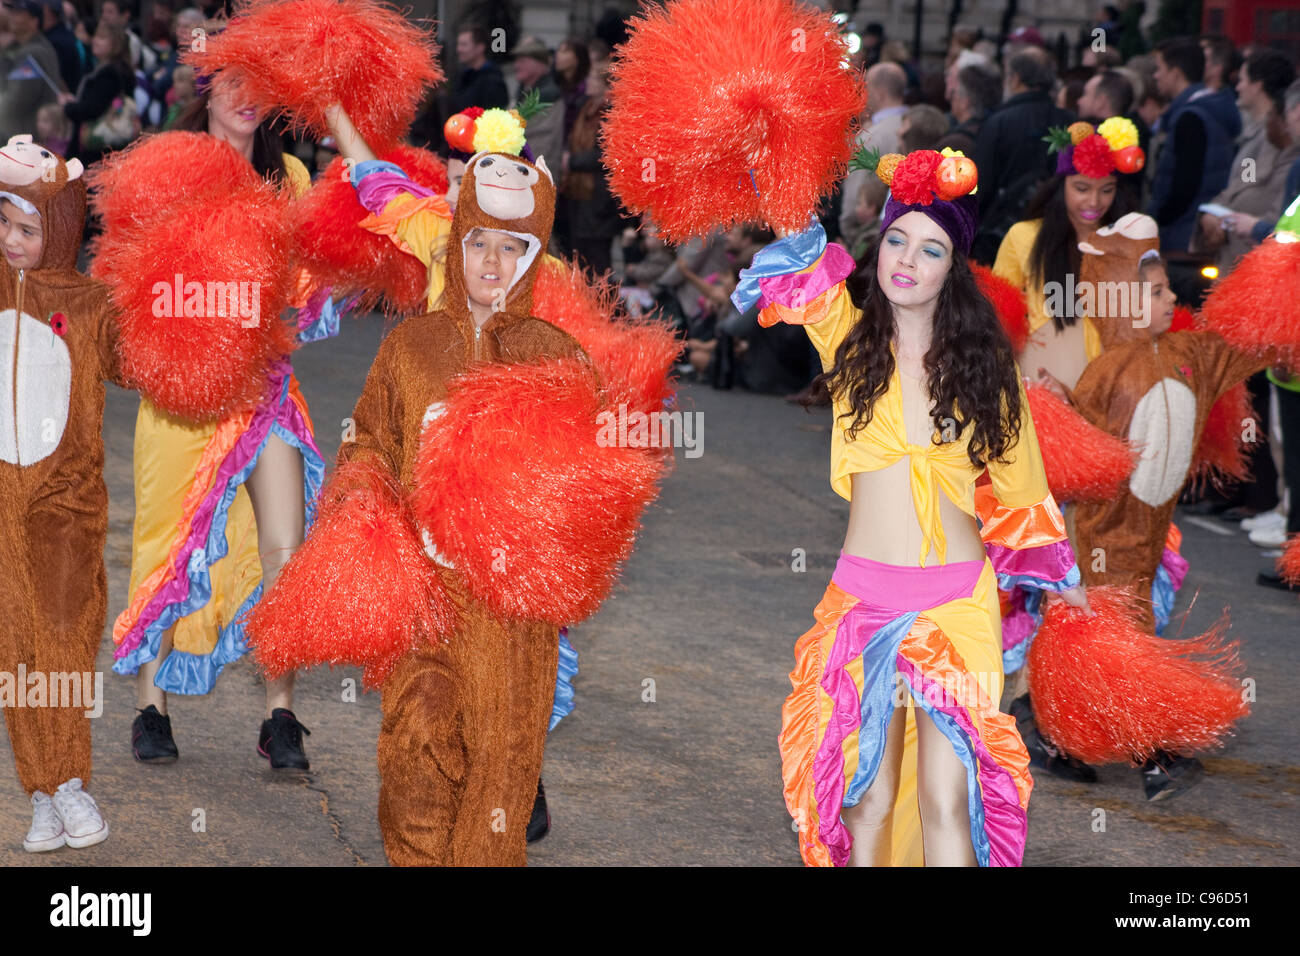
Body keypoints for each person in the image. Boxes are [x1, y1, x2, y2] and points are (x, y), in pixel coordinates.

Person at [733, 149, 1088, 866]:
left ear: (952, 269)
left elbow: (1023, 493)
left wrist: (1068, 593)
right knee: (866, 799)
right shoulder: (847, 339)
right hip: (859, 603)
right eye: (896, 238)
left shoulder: (989, 375)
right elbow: (793, 238)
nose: (906, 259)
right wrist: (772, 146)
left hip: (957, 606)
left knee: (946, 803)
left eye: (930, 250)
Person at [323, 101, 590, 865]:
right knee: (411, 759)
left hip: (512, 618)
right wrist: (365, 505)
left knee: (500, 782)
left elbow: (587, 484)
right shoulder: (412, 346)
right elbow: (370, 437)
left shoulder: (558, 358)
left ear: (536, 258)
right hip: (424, 605)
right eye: (479, 243)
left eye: (513, 249)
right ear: (456, 241)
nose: (493, 264)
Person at [115, 72, 324, 771]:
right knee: (169, 546)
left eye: (257, 82)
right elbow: (131, 277)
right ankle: (152, 708)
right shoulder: (166, 167)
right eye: (229, 80)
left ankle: (281, 717)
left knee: (284, 551)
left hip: (265, 389)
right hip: (184, 397)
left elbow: (304, 281)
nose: (245, 95)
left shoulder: (287, 174)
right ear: (204, 88)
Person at [0, 136, 122, 852]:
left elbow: (144, 364)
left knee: (65, 643)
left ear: (63, 229)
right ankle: (40, 791)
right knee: (15, 651)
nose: (11, 241)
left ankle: (71, 780)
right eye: (3, 224)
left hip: (68, 505)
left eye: (28, 228)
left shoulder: (90, 303)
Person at [993, 117, 1139, 390]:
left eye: (1107, 190)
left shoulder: (1128, 240)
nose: (1094, 202)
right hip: (1041, 391)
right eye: (1081, 189)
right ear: (1061, 187)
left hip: (1108, 393)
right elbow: (998, 316)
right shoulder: (1024, 237)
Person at [970, 48, 1072, 262]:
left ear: (1015, 79)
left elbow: (979, 186)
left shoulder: (998, 123)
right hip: (1056, 233)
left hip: (1000, 237)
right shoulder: (1070, 122)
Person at [1147, 36, 1240, 252]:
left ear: (1176, 73)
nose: (1156, 75)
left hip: (1181, 236)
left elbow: (1184, 185)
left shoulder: (1191, 117)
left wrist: (1157, 219)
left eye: (1160, 68)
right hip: (1191, 229)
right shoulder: (1207, 109)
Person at [57, 19, 134, 162]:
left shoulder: (110, 74)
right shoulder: (111, 69)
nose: (95, 41)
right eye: (96, 36)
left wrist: (68, 107)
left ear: (116, 44)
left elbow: (92, 109)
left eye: (102, 38)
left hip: (98, 150)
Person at [0, 0, 64, 143]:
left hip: (24, 136)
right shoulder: (38, 46)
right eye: (12, 11)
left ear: (34, 21)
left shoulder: (32, 53)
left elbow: (16, 99)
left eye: (19, 13)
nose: (12, 16)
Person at [449, 24, 507, 115]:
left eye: (464, 45)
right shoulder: (461, 77)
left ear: (480, 48)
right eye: (458, 44)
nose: (458, 49)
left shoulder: (493, 81)